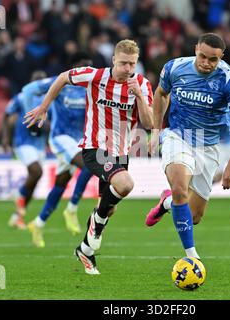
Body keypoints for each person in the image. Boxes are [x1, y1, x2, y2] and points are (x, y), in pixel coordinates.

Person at [24, 40, 153, 274]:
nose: (127, 69)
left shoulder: (142, 85)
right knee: (125, 184)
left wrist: (140, 98)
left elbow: (149, 123)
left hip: (120, 152)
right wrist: (44, 107)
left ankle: (85, 249)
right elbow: (63, 77)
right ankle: (90, 223)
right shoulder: (95, 76)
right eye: (123, 63)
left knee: (108, 209)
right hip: (94, 148)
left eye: (132, 64)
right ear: (114, 60)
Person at [146, 33, 230, 260]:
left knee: (193, 216)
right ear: (195, 50)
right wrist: (155, 131)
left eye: (213, 59)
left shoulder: (229, 79)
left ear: (221, 57)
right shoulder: (174, 68)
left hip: (209, 145)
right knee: (181, 188)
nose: (206, 63)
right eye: (202, 56)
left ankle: (167, 202)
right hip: (177, 136)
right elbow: (161, 94)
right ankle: (192, 257)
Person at [26, 53, 95, 248]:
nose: (88, 69)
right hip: (60, 137)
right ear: (76, 67)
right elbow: (30, 89)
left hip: (78, 140)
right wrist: (38, 108)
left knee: (61, 183)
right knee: (90, 163)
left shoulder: (90, 87)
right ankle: (72, 208)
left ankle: (37, 224)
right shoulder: (61, 81)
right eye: (85, 65)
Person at [4, 71, 48, 230]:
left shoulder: (49, 99)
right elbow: (8, 115)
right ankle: (20, 194)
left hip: (39, 144)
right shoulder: (22, 97)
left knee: (34, 180)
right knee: (36, 171)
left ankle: (18, 215)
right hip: (23, 141)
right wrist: (5, 139)